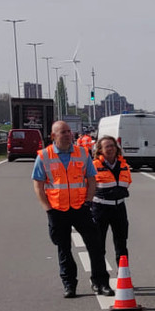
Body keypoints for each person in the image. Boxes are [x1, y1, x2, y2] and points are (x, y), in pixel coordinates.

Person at [33, 121, 110, 298]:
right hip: (57, 210)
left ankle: (101, 282)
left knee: (95, 245)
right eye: (63, 132)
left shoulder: (82, 153)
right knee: (64, 249)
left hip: (80, 207)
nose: (68, 135)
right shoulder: (44, 156)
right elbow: (38, 185)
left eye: (69, 131)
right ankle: (69, 285)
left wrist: (89, 201)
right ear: (53, 136)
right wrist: (48, 210)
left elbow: (91, 179)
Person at [91, 136, 132, 269]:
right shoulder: (94, 166)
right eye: (107, 146)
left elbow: (127, 183)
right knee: (98, 245)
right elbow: (88, 186)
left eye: (112, 146)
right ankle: (100, 278)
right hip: (100, 209)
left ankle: (123, 275)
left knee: (121, 245)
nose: (110, 149)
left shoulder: (124, 165)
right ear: (100, 150)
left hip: (119, 208)